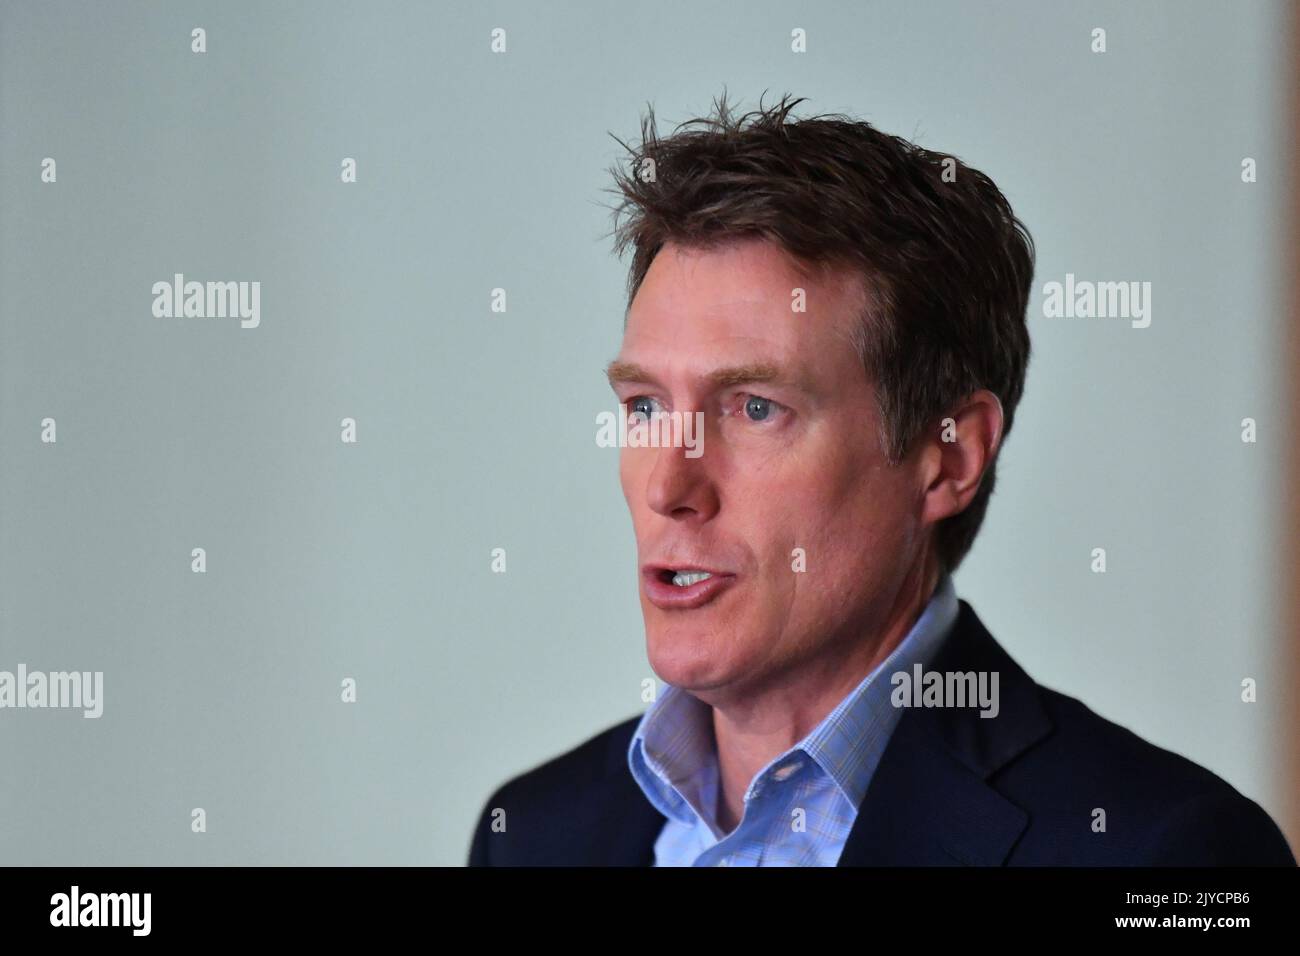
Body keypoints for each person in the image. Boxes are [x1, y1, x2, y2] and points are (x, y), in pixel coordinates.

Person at [467, 93, 1295, 866]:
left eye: (754, 408)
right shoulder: (534, 835)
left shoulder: (1168, 852)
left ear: (950, 459)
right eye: (646, 406)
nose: (668, 486)